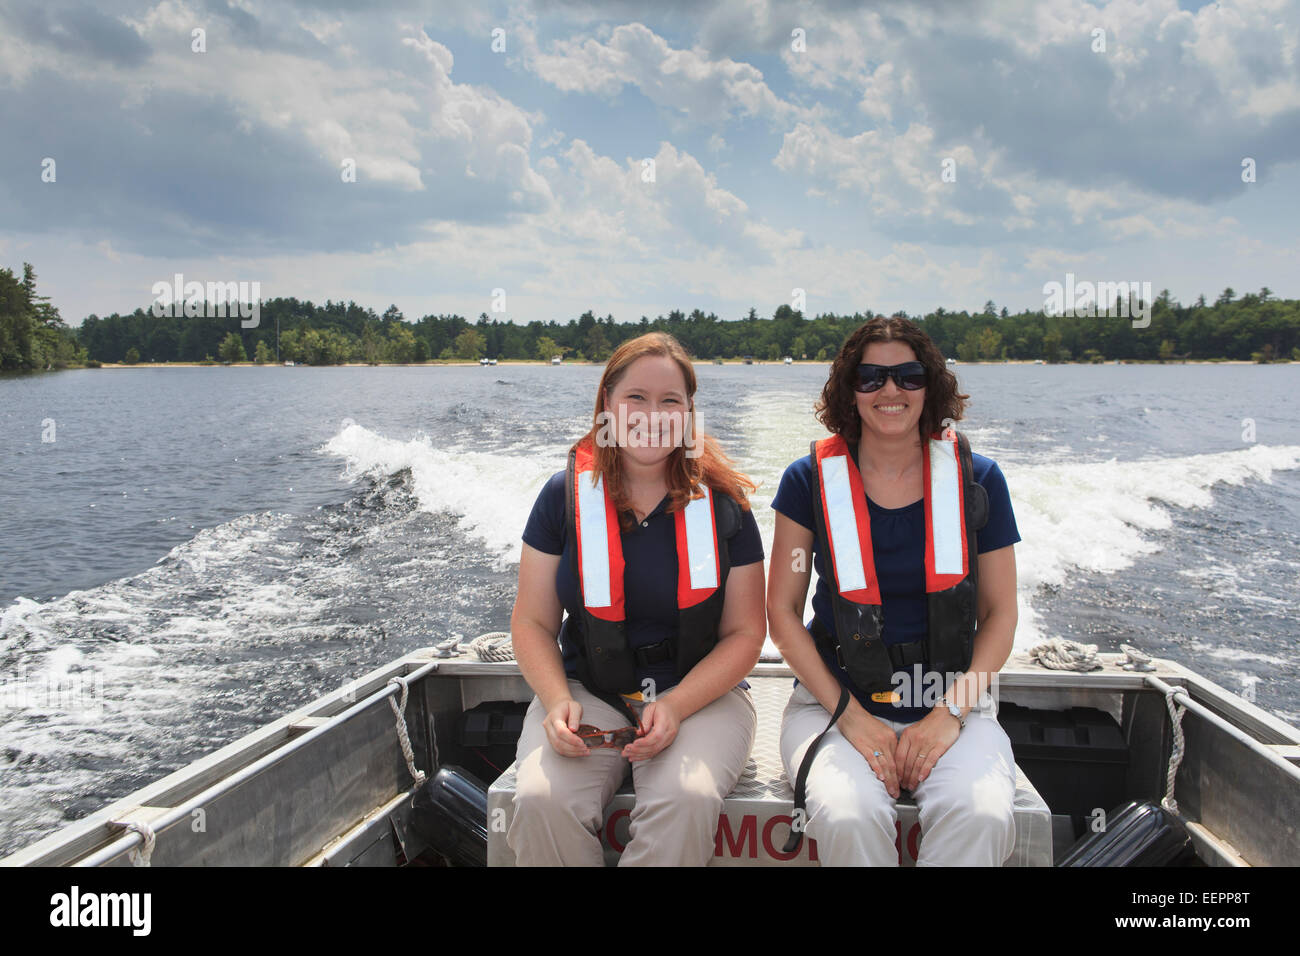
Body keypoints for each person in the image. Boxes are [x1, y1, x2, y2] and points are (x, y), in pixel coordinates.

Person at [766, 316, 1022, 866]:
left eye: (908, 376)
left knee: (981, 813)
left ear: (930, 386)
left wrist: (947, 715)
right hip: (833, 704)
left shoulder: (981, 481)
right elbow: (781, 612)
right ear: (849, 390)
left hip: (954, 701)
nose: (890, 391)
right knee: (847, 813)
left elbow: (1000, 614)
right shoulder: (806, 481)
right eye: (871, 378)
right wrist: (853, 718)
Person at [508, 332, 766, 866]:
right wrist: (557, 702)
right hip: (590, 692)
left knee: (685, 798)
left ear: (689, 411)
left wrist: (674, 704)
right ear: (607, 404)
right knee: (539, 800)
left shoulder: (726, 509)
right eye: (636, 399)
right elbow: (532, 622)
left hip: (700, 698)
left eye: (671, 401)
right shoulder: (562, 499)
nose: (653, 415)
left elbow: (746, 634)